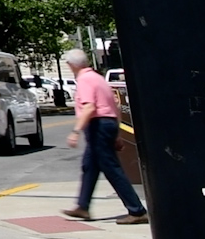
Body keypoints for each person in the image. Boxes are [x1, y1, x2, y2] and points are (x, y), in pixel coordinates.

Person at [62, 48, 148, 224]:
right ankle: (83, 206)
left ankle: (137, 210)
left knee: (111, 167)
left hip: (97, 126)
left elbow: (89, 107)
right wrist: (116, 132)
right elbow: (115, 108)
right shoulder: (98, 78)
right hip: (107, 124)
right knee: (89, 166)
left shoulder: (85, 80)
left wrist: (75, 131)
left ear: (72, 65)